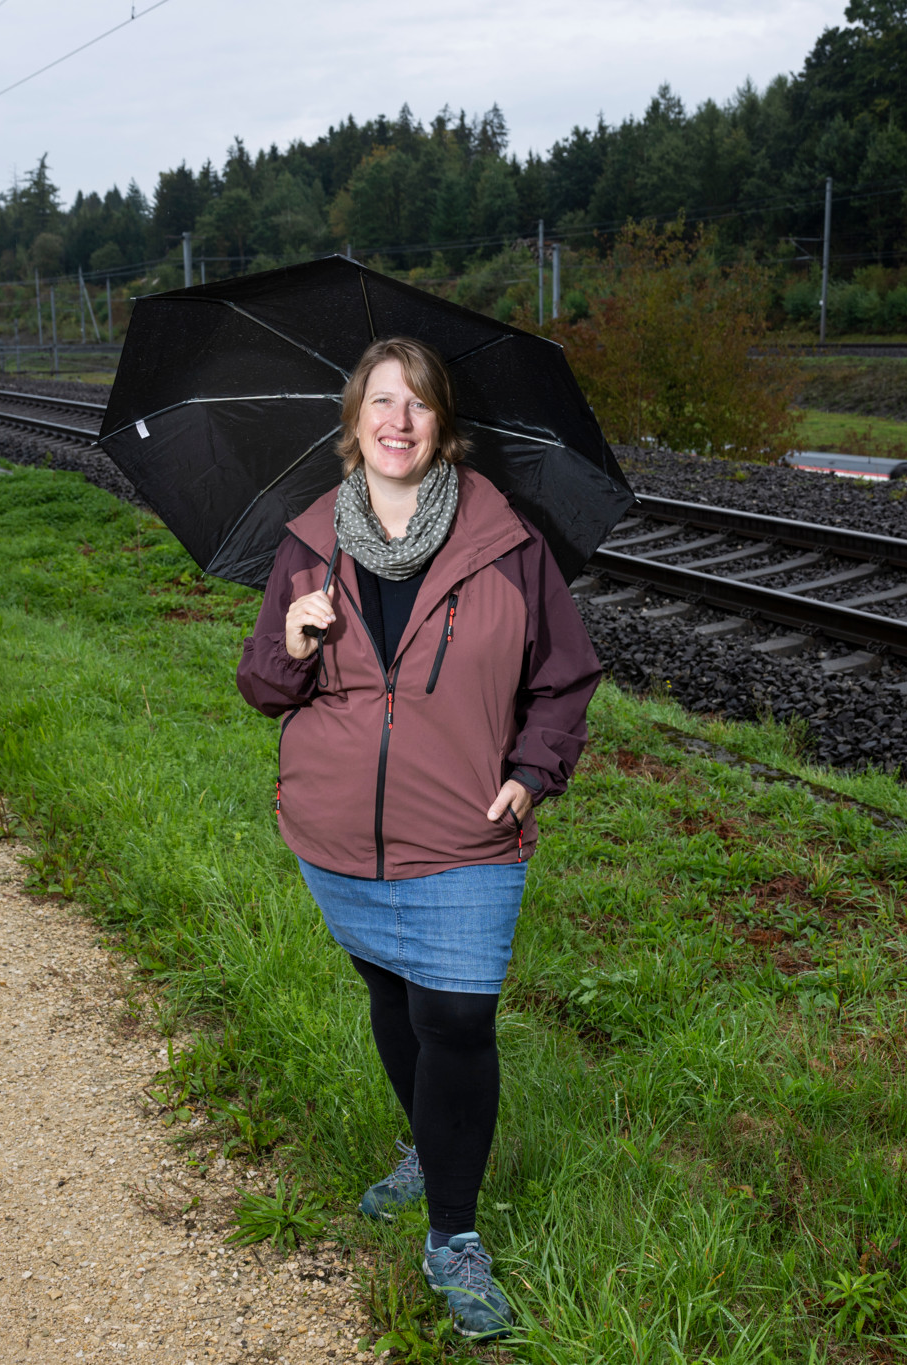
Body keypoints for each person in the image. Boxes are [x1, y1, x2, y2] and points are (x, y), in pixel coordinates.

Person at [235, 336, 601, 1340]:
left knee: (457, 1021)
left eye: (419, 405)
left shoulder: (506, 541)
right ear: (352, 424)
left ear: (445, 426)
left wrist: (533, 771)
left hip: (464, 827)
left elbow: (564, 678)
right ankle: (421, 1144)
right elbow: (261, 687)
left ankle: (452, 1236)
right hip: (334, 825)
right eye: (379, 403)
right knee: (389, 990)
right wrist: (293, 642)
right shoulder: (309, 542)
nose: (397, 422)